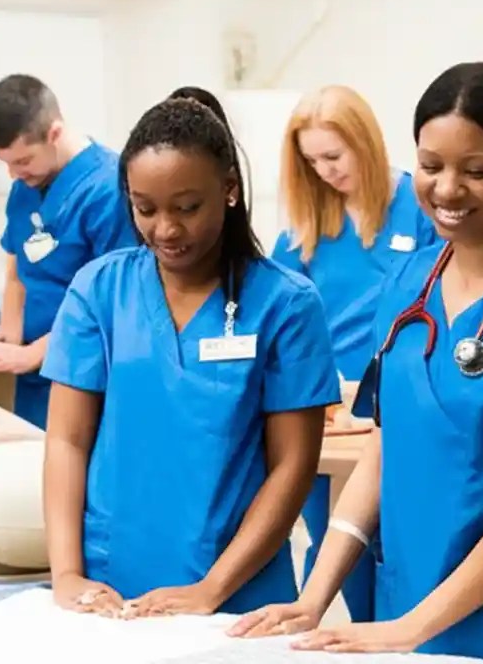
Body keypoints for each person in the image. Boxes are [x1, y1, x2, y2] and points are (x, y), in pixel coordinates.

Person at [229, 62, 483, 664]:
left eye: (476, 171)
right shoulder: (408, 284)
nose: (447, 189)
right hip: (405, 606)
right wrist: (314, 598)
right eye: (431, 167)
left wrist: (410, 628)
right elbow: (383, 450)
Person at [41, 97, 339, 617]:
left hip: (235, 593)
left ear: (228, 190)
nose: (165, 230)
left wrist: (213, 588)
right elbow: (67, 440)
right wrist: (66, 574)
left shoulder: (285, 305)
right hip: (110, 593)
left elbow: (293, 466)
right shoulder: (100, 291)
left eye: (186, 207)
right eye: (145, 208)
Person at [271, 84, 439, 624]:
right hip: (328, 418)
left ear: (365, 144)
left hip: (400, 411)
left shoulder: (419, 208)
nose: (324, 171)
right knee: (338, 550)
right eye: (311, 160)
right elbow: (282, 328)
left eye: (333, 156)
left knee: (403, 551)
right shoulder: (301, 233)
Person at [0, 74, 136, 429]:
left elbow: (111, 304)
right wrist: (9, 337)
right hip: (35, 378)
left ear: (54, 133)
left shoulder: (107, 189)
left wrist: (28, 355)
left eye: (23, 160)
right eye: (6, 163)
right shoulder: (26, 187)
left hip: (87, 371)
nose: (14, 174)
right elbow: (17, 271)